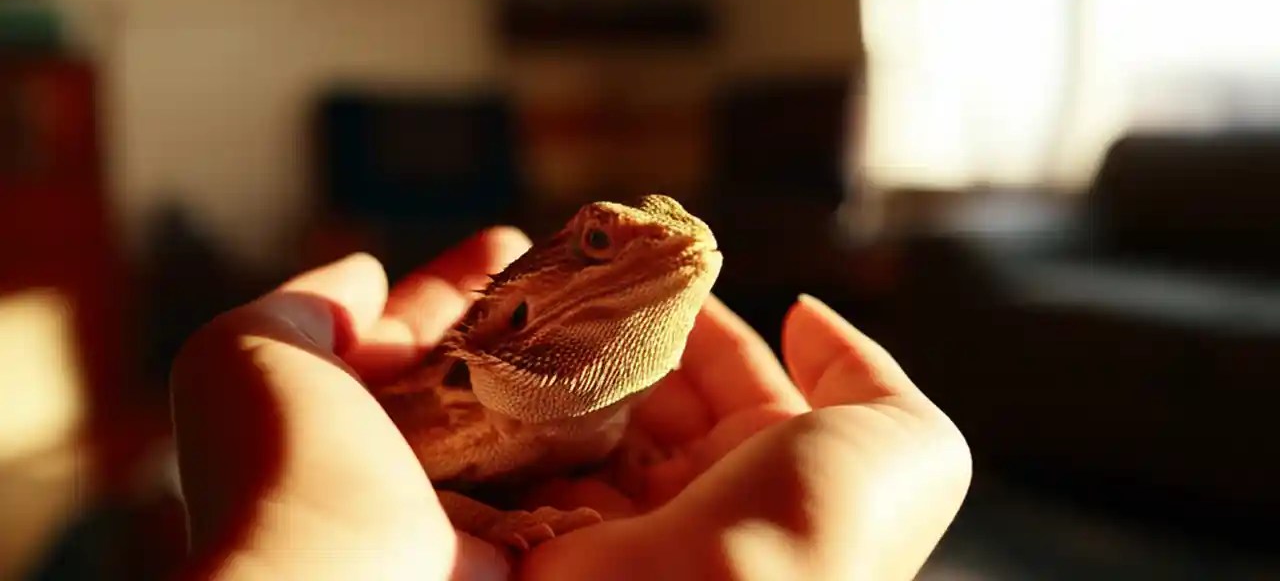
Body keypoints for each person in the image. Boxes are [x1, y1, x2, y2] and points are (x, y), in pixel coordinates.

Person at [170, 226, 971, 580]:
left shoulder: (611, 412)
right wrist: (494, 525)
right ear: (521, 312)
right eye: (598, 244)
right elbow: (415, 485)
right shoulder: (464, 422)